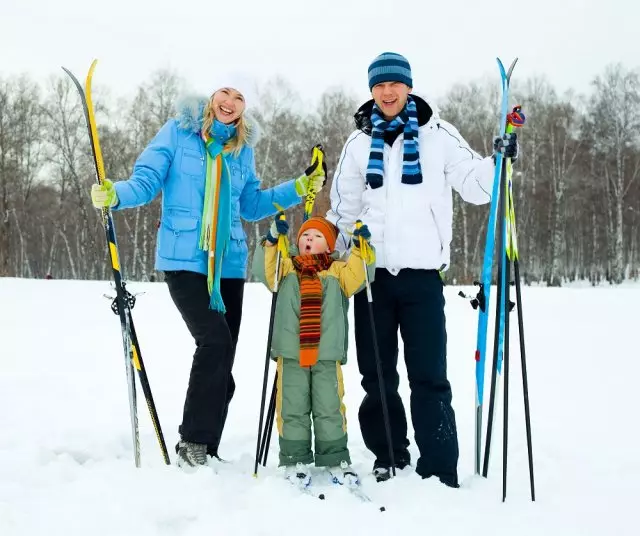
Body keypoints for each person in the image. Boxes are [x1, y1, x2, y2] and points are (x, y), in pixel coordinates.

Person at [90, 75, 326, 469]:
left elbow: (250, 204)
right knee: (214, 341)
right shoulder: (178, 133)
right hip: (184, 260)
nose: (230, 101)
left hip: (229, 264)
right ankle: (193, 442)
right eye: (225, 92)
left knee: (223, 360)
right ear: (211, 97)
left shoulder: (242, 150)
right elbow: (147, 182)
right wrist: (116, 195)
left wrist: (297, 187)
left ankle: (208, 448)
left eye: (240, 96)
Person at [326, 52, 518, 487]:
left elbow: (474, 186)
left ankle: (439, 463)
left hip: (423, 278)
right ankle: (388, 455)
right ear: (371, 90)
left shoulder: (439, 135)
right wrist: (322, 261)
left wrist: (499, 161)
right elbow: (343, 211)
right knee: (377, 375)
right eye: (380, 85)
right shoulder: (357, 144)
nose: (388, 92)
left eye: (395, 84)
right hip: (370, 278)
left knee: (429, 374)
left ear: (408, 87)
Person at [252, 214, 374, 488]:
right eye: (306, 235)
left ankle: (335, 457)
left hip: (326, 353)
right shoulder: (286, 267)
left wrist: (360, 248)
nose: (310, 239)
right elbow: (265, 272)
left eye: (318, 237)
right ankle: (294, 457)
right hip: (291, 351)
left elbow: (360, 275)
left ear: (329, 247)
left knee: (329, 406)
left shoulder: (337, 271)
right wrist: (271, 241)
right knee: (292, 406)